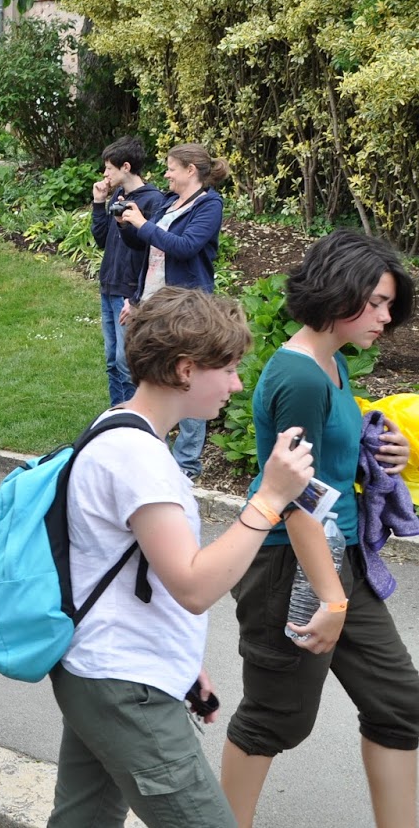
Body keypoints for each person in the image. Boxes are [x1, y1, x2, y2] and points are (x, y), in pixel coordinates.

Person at [46, 286, 314, 828]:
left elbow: (126, 571)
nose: (238, 385)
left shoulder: (116, 428)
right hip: (124, 685)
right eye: (231, 369)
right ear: (187, 369)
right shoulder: (138, 457)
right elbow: (192, 587)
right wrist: (269, 499)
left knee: (83, 820)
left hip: (103, 670)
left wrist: (182, 662)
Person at [221, 231, 419, 828]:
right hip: (292, 568)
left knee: (399, 705)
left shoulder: (329, 364)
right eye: (377, 303)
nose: (387, 318)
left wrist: (378, 445)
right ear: (340, 293)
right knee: (273, 718)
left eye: (390, 305)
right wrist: (330, 598)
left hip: (338, 562)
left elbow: (328, 461)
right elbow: (298, 500)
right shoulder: (301, 376)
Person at [116, 143, 228, 477]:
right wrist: (127, 223)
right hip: (151, 301)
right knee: (129, 364)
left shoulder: (209, 205)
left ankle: (186, 465)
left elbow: (185, 246)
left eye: (171, 168)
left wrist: (144, 223)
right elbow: (145, 244)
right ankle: (153, 449)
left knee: (189, 378)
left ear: (190, 170)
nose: (166, 174)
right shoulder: (168, 202)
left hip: (185, 307)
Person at [89, 138, 162, 406]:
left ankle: (134, 418)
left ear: (126, 167)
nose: (105, 174)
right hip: (109, 286)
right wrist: (99, 203)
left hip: (128, 290)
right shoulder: (119, 198)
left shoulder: (153, 201)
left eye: (109, 168)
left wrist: (136, 297)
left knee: (125, 361)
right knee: (111, 360)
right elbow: (101, 239)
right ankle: (116, 414)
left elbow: (151, 250)